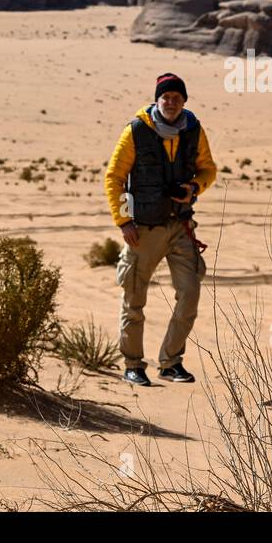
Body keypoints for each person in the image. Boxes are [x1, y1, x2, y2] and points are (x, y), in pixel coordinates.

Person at [103, 72, 217, 386]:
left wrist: (194, 187)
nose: (170, 102)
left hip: (180, 226)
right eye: (165, 97)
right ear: (157, 99)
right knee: (134, 299)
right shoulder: (136, 131)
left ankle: (170, 362)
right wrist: (124, 221)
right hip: (143, 229)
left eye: (176, 98)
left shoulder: (193, 130)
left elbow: (209, 169)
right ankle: (133, 365)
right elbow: (115, 178)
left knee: (190, 292)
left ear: (184, 101)